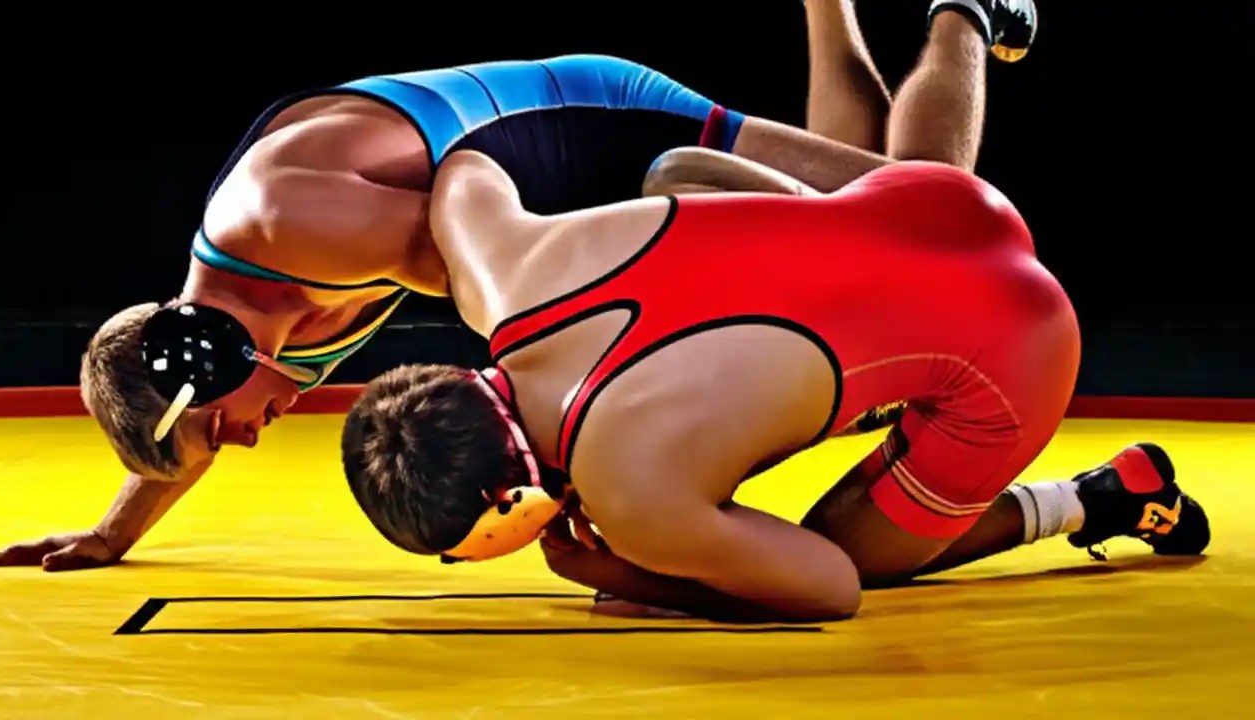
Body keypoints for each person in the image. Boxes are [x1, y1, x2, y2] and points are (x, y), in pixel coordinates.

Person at [0, 0, 1038, 572]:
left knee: (918, 215)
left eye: (226, 429)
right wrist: (114, 530)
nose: (252, 438)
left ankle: (962, 15)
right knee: (858, 221)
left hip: (583, 126)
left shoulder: (281, 225)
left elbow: (511, 255)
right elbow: (194, 418)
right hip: (542, 174)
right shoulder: (244, 328)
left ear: (208, 359)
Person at [335, 55, 1211, 625]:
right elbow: (465, 168)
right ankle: (939, 21)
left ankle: (1100, 498)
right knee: (673, 172)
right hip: (932, 206)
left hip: (1018, 341)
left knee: (858, 550)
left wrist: (636, 577)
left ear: (505, 506)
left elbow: (827, 588)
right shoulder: (500, 275)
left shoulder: (631, 498)